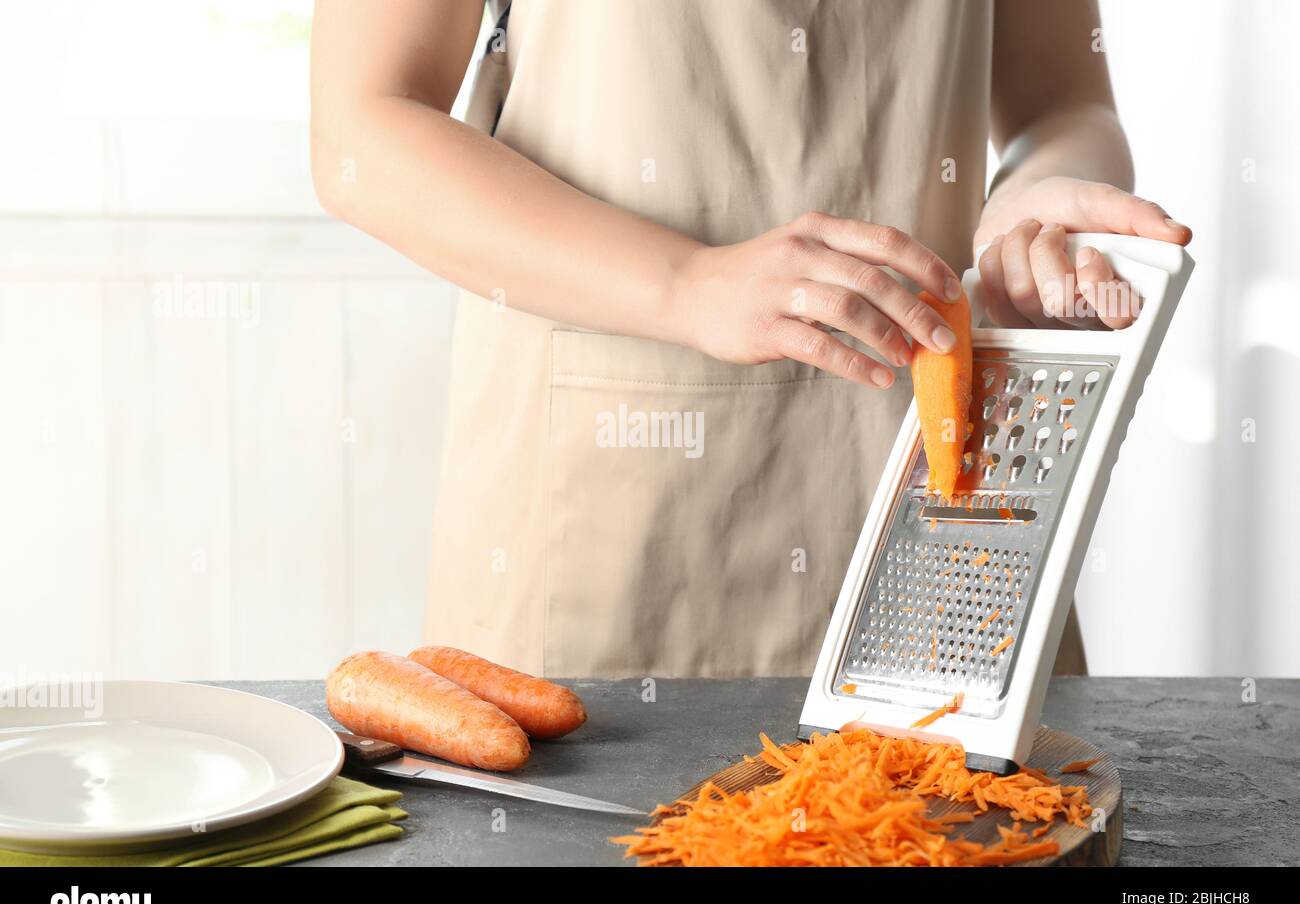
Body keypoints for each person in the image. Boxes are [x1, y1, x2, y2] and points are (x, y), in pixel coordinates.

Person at [310, 0, 1191, 678]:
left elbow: (1065, 101)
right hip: (600, 523)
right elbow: (363, 127)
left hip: (932, 493)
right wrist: (686, 283)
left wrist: (1034, 201)